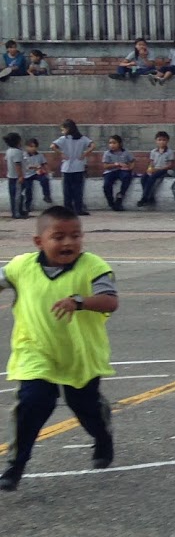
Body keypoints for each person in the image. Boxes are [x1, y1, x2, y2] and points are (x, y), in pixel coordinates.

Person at [0, 207, 119, 492]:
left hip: (80, 354)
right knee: (33, 402)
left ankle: (102, 436)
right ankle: (15, 465)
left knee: (84, 406)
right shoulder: (20, 266)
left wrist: (79, 302)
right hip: (35, 350)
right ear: (39, 242)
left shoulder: (93, 266)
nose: (69, 243)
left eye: (75, 236)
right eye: (59, 237)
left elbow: (109, 301)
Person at [51, 120, 92, 215]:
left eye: (63, 129)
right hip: (79, 167)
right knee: (78, 190)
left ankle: (68, 209)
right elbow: (93, 145)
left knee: (67, 191)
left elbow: (52, 146)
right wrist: (85, 153)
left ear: (68, 129)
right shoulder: (82, 139)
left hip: (67, 167)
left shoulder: (63, 139)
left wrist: (61, 153)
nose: (62, 132)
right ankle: (78, 209)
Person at [135, 131, 175, 208]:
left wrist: (157, 169)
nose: (161, 142)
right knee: (143, 178)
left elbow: (170, 165)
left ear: (167, 141)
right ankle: (150, 197)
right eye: (159, 140)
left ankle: (144, 198)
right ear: (156, 141)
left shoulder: (169, 152)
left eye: (164, 140)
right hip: (155, 169)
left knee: (152, 178)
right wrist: (149, 169)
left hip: (164, 170)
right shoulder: (153, 151)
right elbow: (152, 163)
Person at [99, 135, 134, 211]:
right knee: (106, 185)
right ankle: (111, 202)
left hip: (122, 171)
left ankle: (120, 196)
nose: (112, 145)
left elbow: (132, 161)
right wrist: (116, 164)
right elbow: (105, 166)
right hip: (111, 171)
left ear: (120, 144)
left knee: (127, 177)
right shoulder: (107, 153)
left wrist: (129, 168)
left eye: (114, 143)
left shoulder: (126, 152)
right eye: (110, 143)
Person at [21, 138, 49, 214]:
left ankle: (46, 195)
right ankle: (27, 206)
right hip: (27, 174)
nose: (33, 148)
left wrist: (46, 171)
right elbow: (25, 166)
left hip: (36, 173)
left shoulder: (39, 155)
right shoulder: (23, 155)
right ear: (26, 147)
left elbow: (44, 163)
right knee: (28, 189)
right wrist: (35, 166)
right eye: (31, 146)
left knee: (45, 179)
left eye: (34, 146)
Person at [4, 133, 23, 219]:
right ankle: (17, 213)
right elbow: (18, 165)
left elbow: (6, 160)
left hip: (10, 175)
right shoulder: (17, 152)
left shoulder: (8, 151)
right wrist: (20, 176)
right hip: (16, 177)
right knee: (17, 196)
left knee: (13, 195)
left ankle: (15, 211)